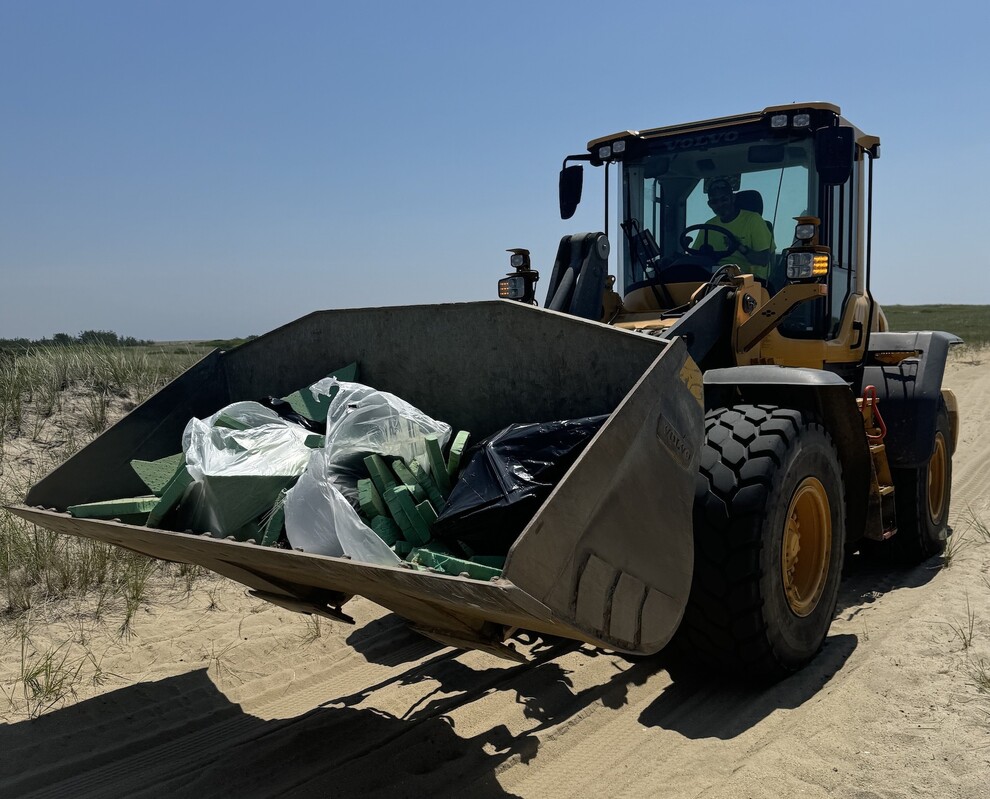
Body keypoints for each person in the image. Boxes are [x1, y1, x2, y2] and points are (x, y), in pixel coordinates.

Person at [693, 178, 774, 281]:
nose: (720, 205)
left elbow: (764, 259)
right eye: (714, 201)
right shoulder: (708, 226)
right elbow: (695, 256)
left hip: (752, 282)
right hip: (715, 278)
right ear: (709, 204)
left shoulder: (753, 220)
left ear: (733, 198)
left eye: (724, 199)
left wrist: (739, 246)